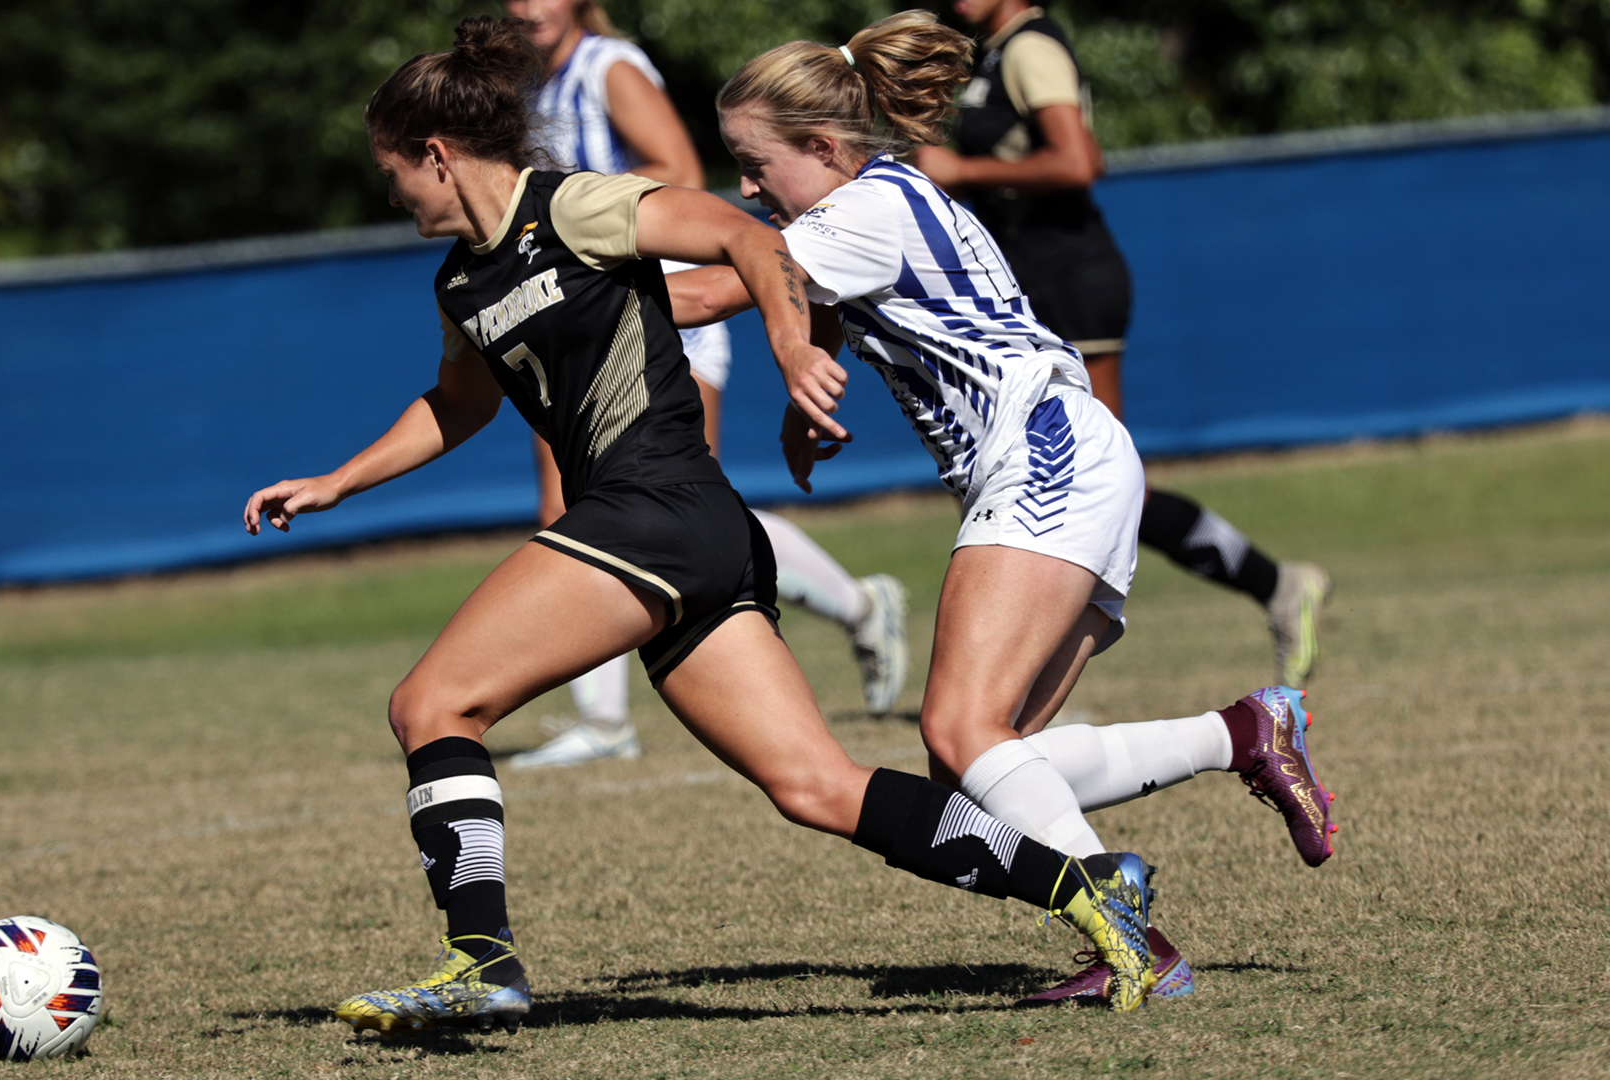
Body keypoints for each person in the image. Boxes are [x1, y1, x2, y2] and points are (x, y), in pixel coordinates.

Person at [244, 18, 1168, 1030]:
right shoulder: (462, 281)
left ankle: (481, 965)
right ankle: (1090, 890)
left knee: (431, 705)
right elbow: (459, 403)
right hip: (696, 537)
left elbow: (747, 239)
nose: (390, 196)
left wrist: (787, 341)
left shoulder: (578, 207)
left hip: (651, 508)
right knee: (817, 786)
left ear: (436, 154)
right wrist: (340, 480)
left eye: (393, 172)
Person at [665, 8, 1337, 1006]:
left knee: (964, 734)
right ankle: (1241, 733)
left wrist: (563, 286)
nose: (746, 189)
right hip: (1072, 455)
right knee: (982, 764)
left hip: (1043, 454)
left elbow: (712, 293)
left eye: (756, 163)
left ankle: (1131, 940)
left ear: (822, 145)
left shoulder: (860, 212)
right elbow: (826, 299)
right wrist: (812, 377)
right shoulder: (878, 200)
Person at [502, 0, 909, 771]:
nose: (528, 8)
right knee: (574, 505)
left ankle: (857, 604)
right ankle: (605, 717)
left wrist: (566, 216)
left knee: (677, 507)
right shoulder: (536, 89)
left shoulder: (609, 68)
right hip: (593, 313)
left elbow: (680, 174)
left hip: (666, 306)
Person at [911, 0, 1330, 691]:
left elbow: (1079, 161)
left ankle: (1275, 585)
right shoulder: (990, 53)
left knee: (1098, 483)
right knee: (1078, 485)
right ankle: (1276, 585)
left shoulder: (1030, 47)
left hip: (1070, 279)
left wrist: (963, 174)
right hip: (1029, 288)